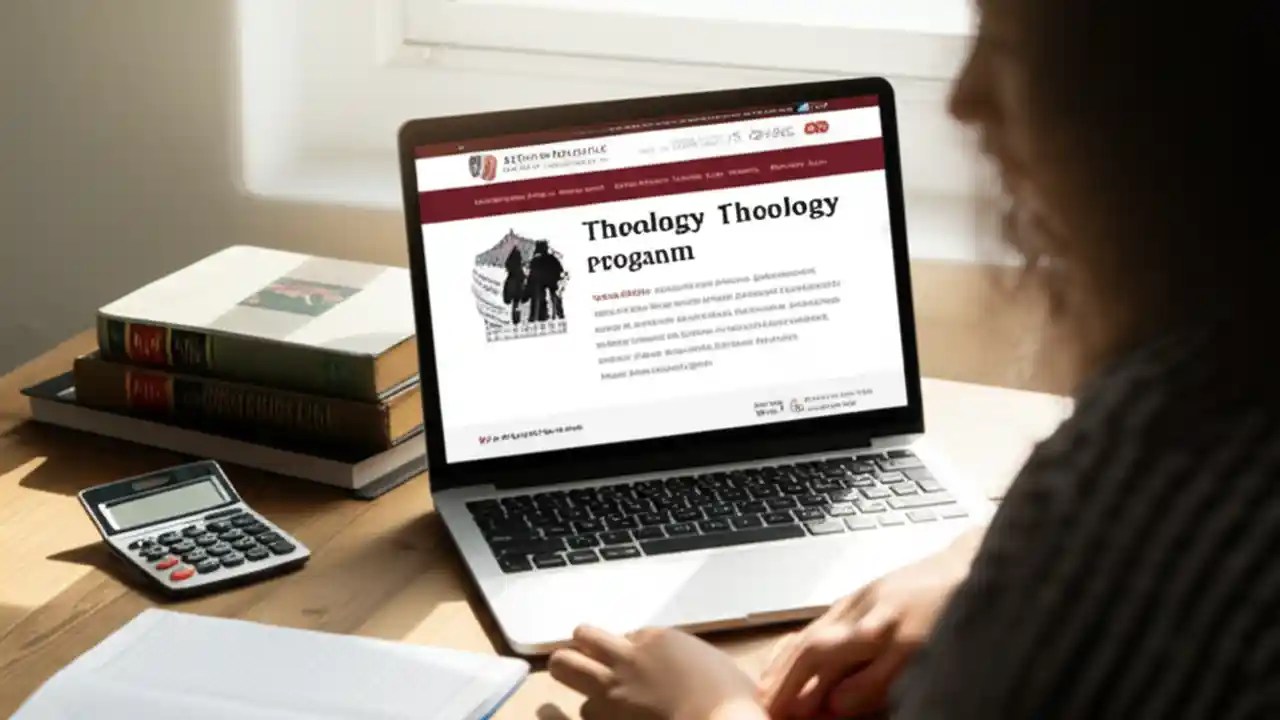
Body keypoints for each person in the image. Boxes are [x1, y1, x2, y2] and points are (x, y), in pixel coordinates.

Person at [548, 1, 1279, 718]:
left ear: (1158, 97)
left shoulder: (1149, 455)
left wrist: (706, 708)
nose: (963, 99)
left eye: (1008, 47)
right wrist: (975, 556)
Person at [527, 240, 566, 322]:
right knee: (555, 299)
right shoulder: (552, 258)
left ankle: (539, 317)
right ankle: (560, 316)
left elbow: (532, 275)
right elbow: (560, 270)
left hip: (540, 284)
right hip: (552, 282)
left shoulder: (535, 260)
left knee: (539, 300)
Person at [502, 246, 526, 325]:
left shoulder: (511, 264)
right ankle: (516, 319)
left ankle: (515, 319)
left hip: (512, 284)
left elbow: (508, 265)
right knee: (517, 303)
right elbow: (521, 276)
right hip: (518, 287)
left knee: (515, 304)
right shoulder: (518, 267)